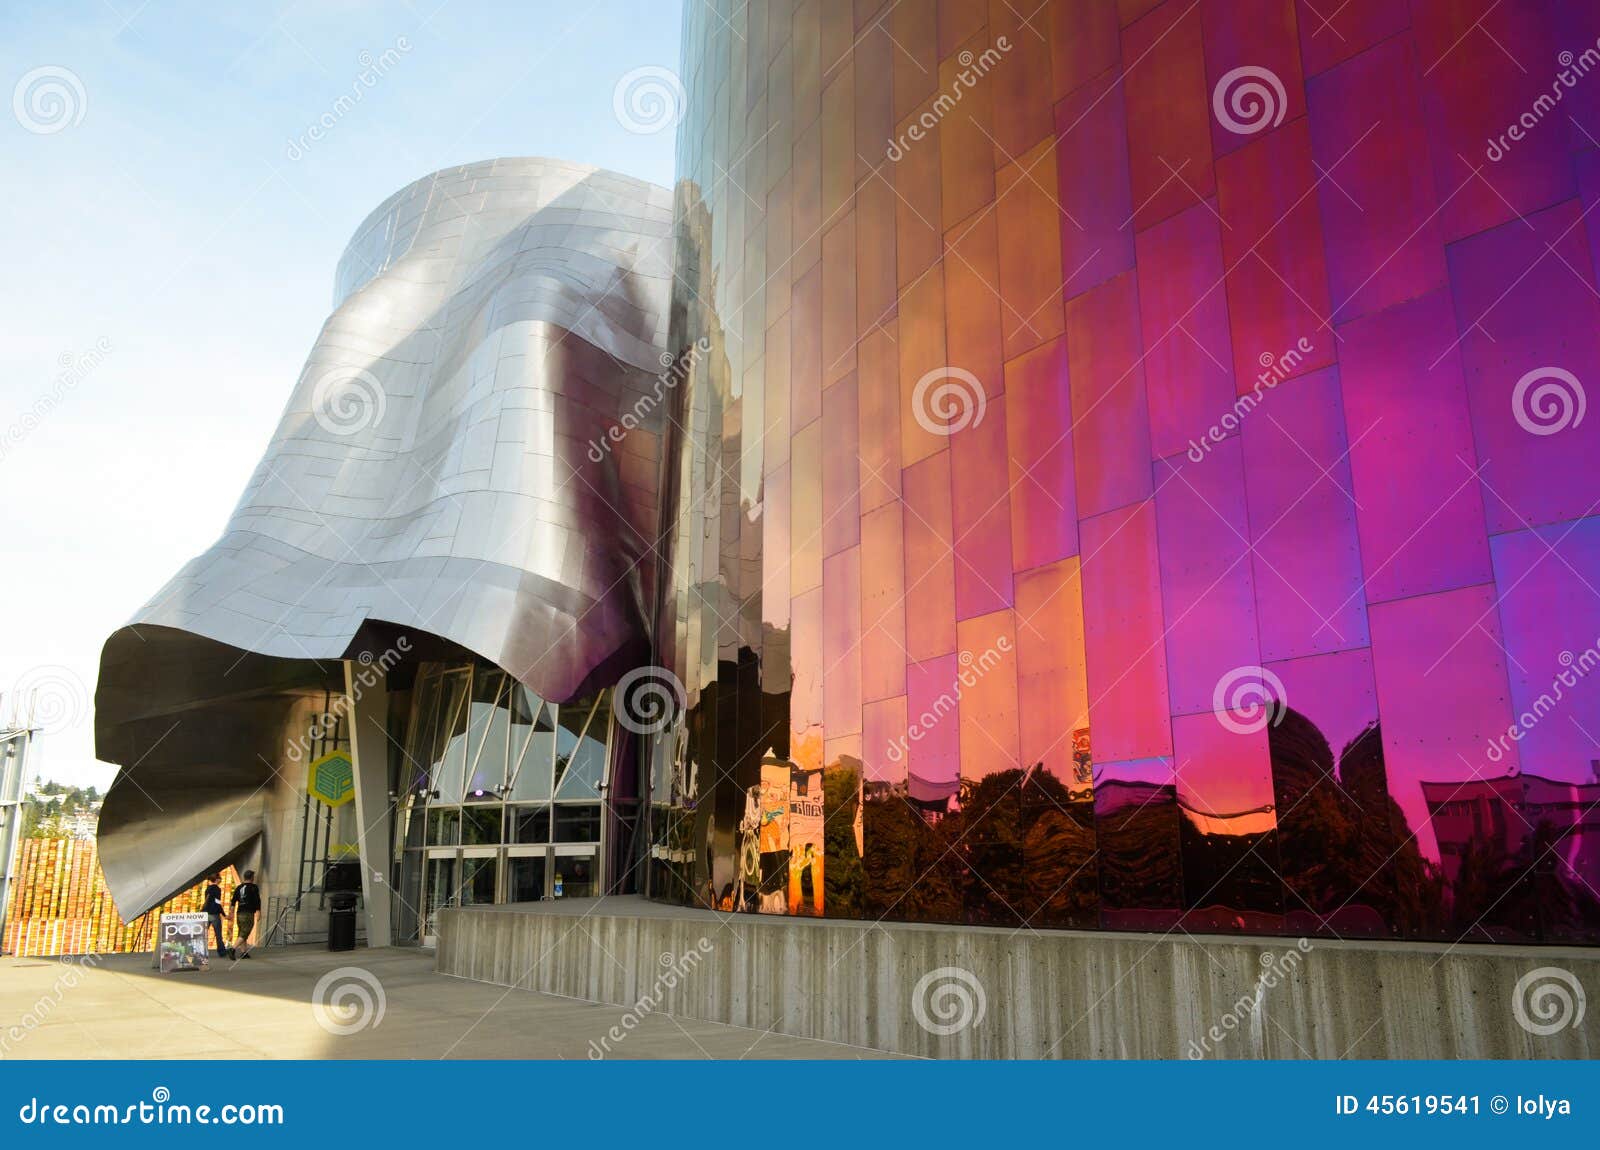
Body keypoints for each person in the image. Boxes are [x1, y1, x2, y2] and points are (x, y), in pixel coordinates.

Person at [230, 869, 262, 958]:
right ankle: (232, 949)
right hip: (248, 913)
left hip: (239, 913)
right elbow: (257, 900)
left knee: (242, 932)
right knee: (245, 931)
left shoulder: (239, 887)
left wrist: (231, 913)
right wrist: (258, 911)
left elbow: (233, 901)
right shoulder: (253, 887)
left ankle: (244, 952)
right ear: (252, 878)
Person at [202, 874, 227, 958]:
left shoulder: (207, 888)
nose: (221, 880)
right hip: (214, 914)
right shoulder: (217, 889)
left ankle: (201, 951)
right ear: (216, 879)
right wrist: (223, 914)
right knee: (218, 934)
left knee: (204, 933)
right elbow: (217, 903)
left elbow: (207, 901)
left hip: (206, 913)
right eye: (220, 878)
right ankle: (222, 951)